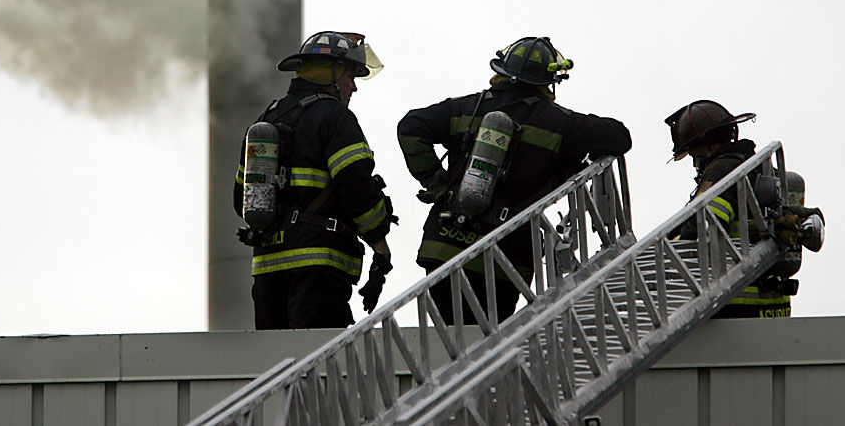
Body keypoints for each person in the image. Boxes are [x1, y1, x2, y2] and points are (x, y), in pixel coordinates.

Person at [397, 36, 632, 324]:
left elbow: (410, 127)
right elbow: (620, 137)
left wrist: (437, 183)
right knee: (489, 342)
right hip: (506, 259)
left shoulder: (466, 107)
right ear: (550, 80)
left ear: (503, 69)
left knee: (452, 342)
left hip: (445, 246)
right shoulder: (563, 124)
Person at [233, 31, 395, 330]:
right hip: (319, 265)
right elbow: (355, 185)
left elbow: (239, 196)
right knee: (319, 362)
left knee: (277, 365)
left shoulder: (269, 118)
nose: (354, 87)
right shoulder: (335, 117)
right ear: (331, 74)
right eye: (350, 76)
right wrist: (379, 240)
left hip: (268, 265)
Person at [664, 99, 802, 318]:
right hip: (774, 309)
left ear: (708, 147)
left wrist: (664, 250)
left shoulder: (722, 173)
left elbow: (699, 232)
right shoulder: (759, 167)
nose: (694, 163)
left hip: (733, 308)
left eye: (693, 155)